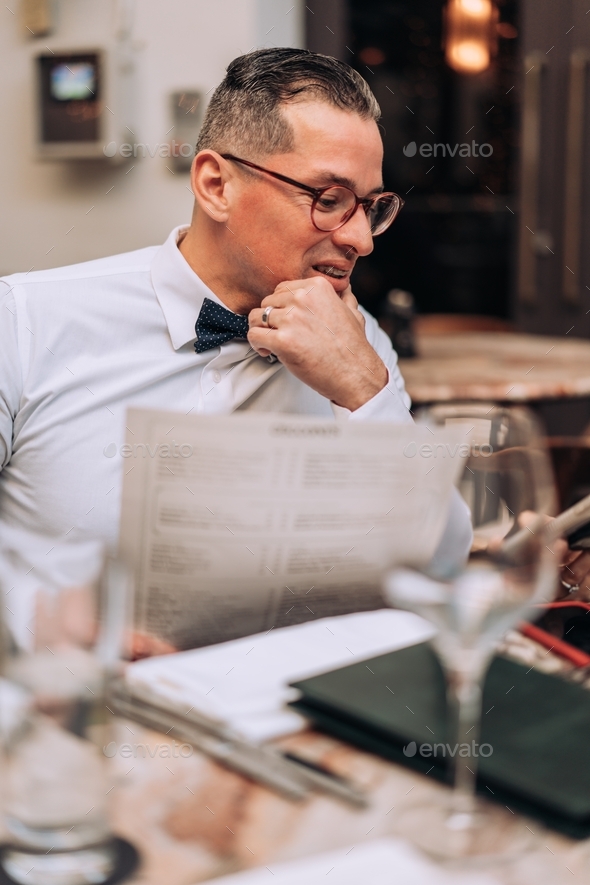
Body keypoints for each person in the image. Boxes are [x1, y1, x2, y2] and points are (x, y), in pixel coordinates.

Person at [0, 50, 575, 641]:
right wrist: (54, 638)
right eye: (328, 200)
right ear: (216, 184)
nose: (359, 239)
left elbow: (439, 566)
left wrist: (364, 391)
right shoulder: (22, 321)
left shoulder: (360, 343)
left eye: (372, 208)